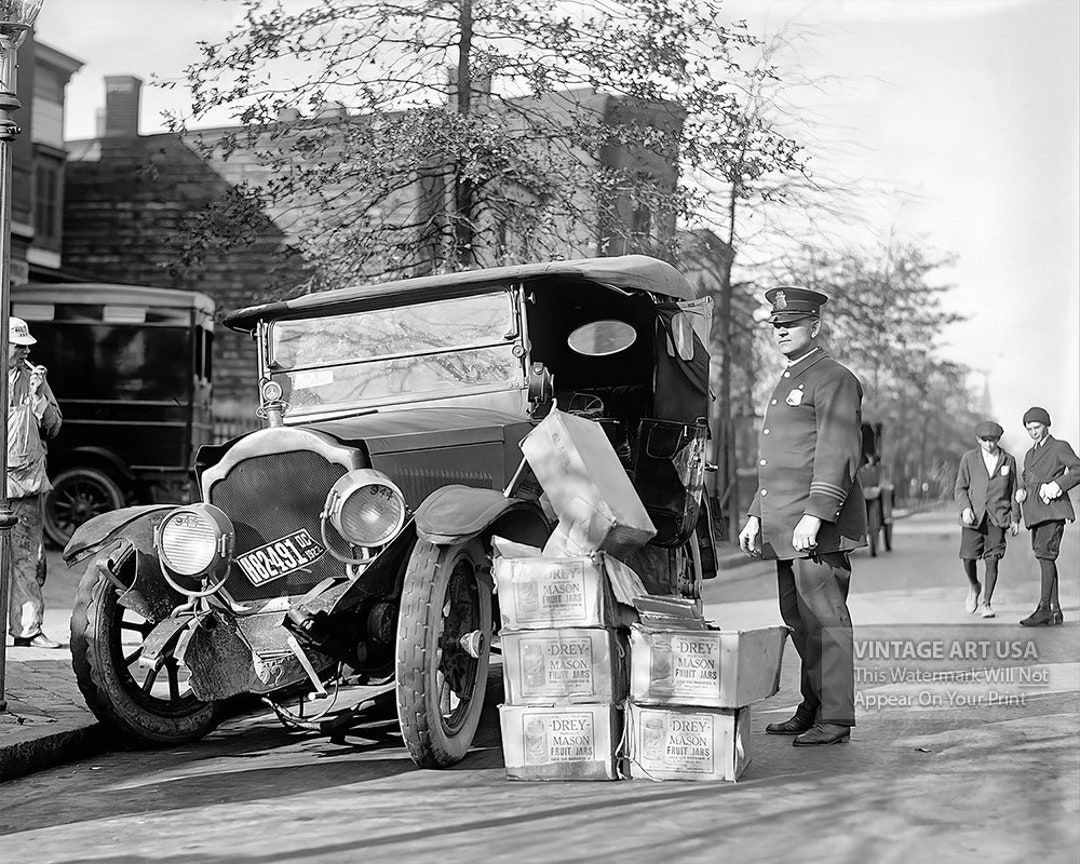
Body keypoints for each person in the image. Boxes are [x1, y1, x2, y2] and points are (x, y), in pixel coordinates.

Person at [738, 286, 865, 747]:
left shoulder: (833, 378)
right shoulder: (790, 379)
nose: (781, 332)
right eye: (776, 325)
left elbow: (838, 451)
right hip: (785, 525)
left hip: (815, 529)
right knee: (799, 620)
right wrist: (756, 514)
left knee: (826, 623)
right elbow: (780, 460)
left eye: (790, 324)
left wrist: (816, 514)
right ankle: (813, 706)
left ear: (815, 325)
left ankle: (836, 717)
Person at [6, 317, 63, 649]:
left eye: (28, 346)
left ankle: (27, 629)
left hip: (27, 482)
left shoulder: (34, 379)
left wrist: (39, 396)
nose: (26, 351)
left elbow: (54, 427)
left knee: (27, 558)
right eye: (19, 346)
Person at [1014, 407, 1080, 626]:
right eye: (1029, 429)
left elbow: (1077, 469)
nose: (1033, 432)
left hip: (1053, 510)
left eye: (1037, 427)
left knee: (1045, 555)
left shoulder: (1059, 446)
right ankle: (1055, 610)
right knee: (1045, 557)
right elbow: (1026, 476)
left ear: (1047, 425)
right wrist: (1022, 489)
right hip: (1035, 512)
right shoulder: (1030, 453)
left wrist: (1058, 485)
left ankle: (1044, 609)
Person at [953, 420, 1021, 618]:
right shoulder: (969, 458)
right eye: (985, 440)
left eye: (993, 440)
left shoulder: (1008, 460)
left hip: (998, 516)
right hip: (973, 517)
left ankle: (987, 603)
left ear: (998, 439)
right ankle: (975, 586)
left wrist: (1015, 517)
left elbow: (1014, 490)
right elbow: (960, 487)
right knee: (968, 558)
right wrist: (966, 508)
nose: (990, 444)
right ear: (978, 439)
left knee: (992, 560)